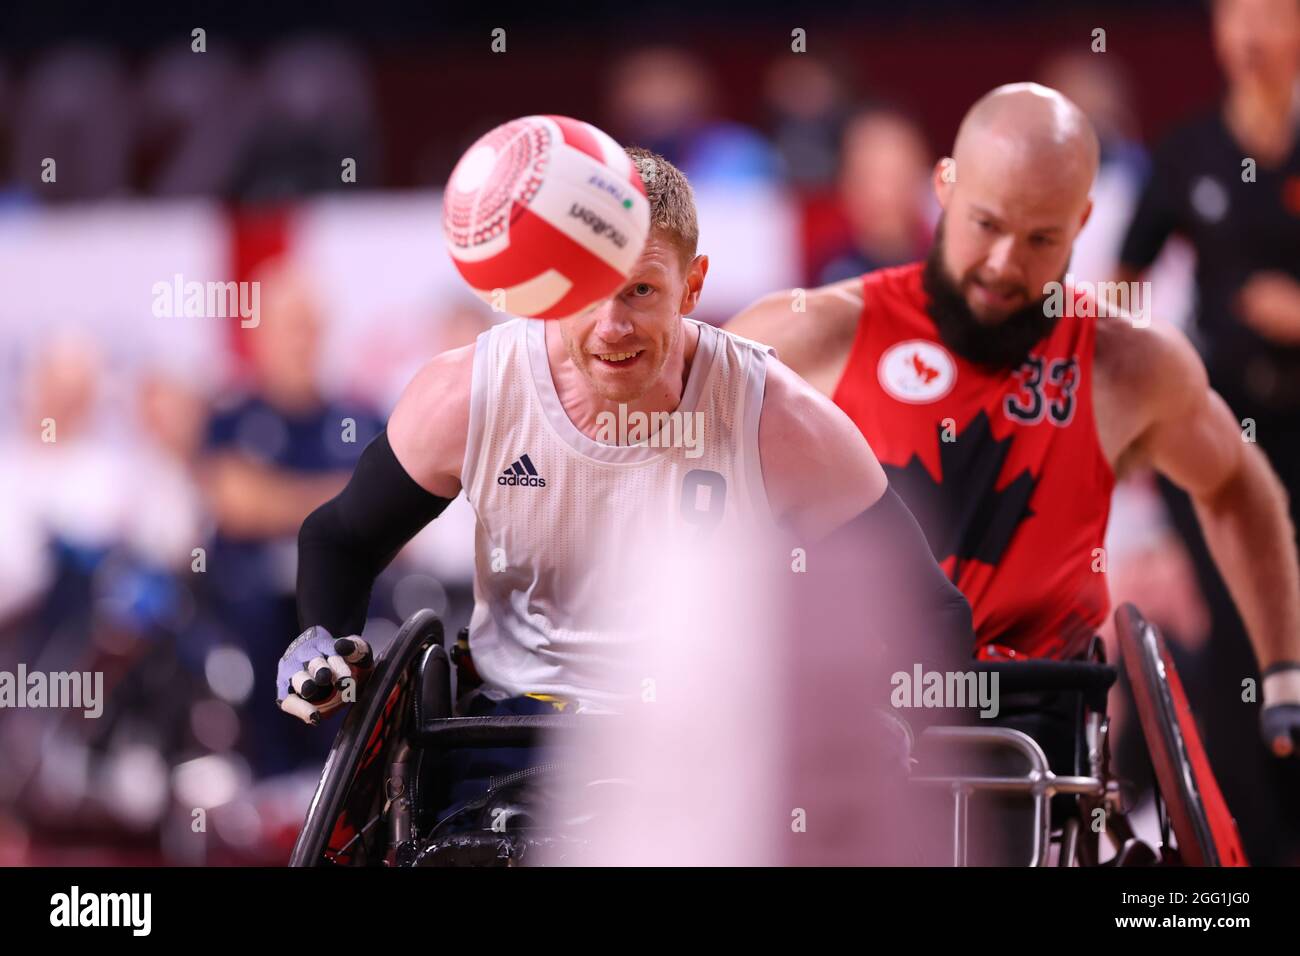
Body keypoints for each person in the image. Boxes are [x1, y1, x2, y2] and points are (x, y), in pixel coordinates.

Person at [275, 147, 974, 848]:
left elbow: (934, 609)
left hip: (715, 740)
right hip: (514, 731)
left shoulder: (776, 418)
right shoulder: (471, 394)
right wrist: (318, 643)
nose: (612, 326)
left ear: (692, 286)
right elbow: (340, 539)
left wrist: (884, 733)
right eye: (585, 290)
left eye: (640, 290)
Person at [727, 84, 1300, 773]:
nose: (1004, 264)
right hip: (856, 724)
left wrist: (1284, 673)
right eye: (987, 224)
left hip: (1040, 736)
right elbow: (667, 456)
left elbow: (1237, 487)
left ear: (1082, 221)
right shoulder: (811, 332)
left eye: (1040, 239)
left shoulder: (1128, 362)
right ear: (944, 184)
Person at [1114, 0, 1300, 862]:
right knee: (1236, 653)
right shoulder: (1188, 150)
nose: (1248, 33)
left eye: (1269, 12)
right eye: (1232, 15)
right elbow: (1123, 278)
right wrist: (1142, 377)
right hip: (1227, 443)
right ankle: (1248, 855)